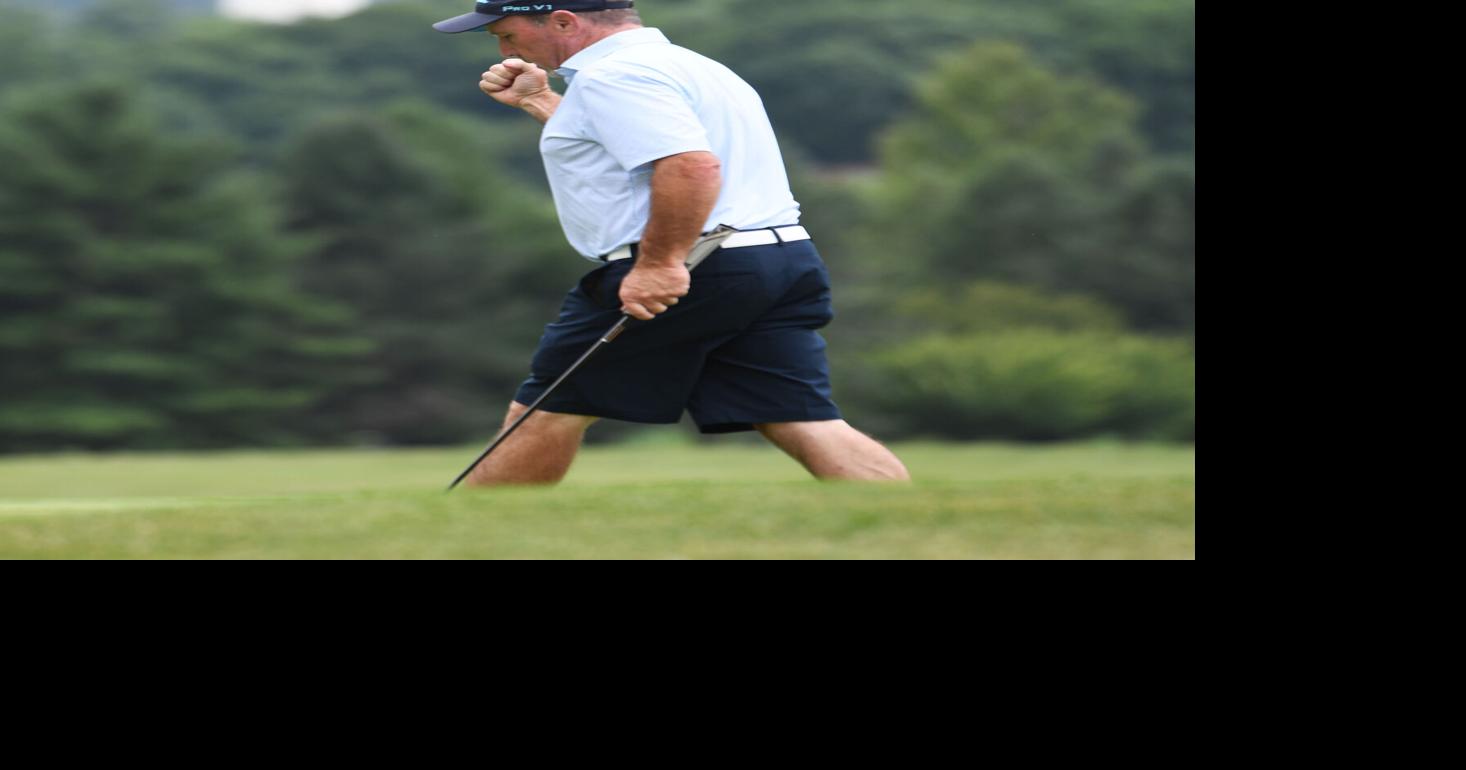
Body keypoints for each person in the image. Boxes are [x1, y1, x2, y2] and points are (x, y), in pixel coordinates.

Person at [433, 0, 910, 485]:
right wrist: (540, 102)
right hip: (775, 258)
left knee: (549, 405)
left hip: (698, 264)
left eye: (507, 35)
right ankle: (902, 514)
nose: (504, 50)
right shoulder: (693, 66)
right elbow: (624, 151)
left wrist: (659, 264)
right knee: (798, 415)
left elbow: (690, 166)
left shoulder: (613, 76)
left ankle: (469, 528)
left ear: (562, 22)